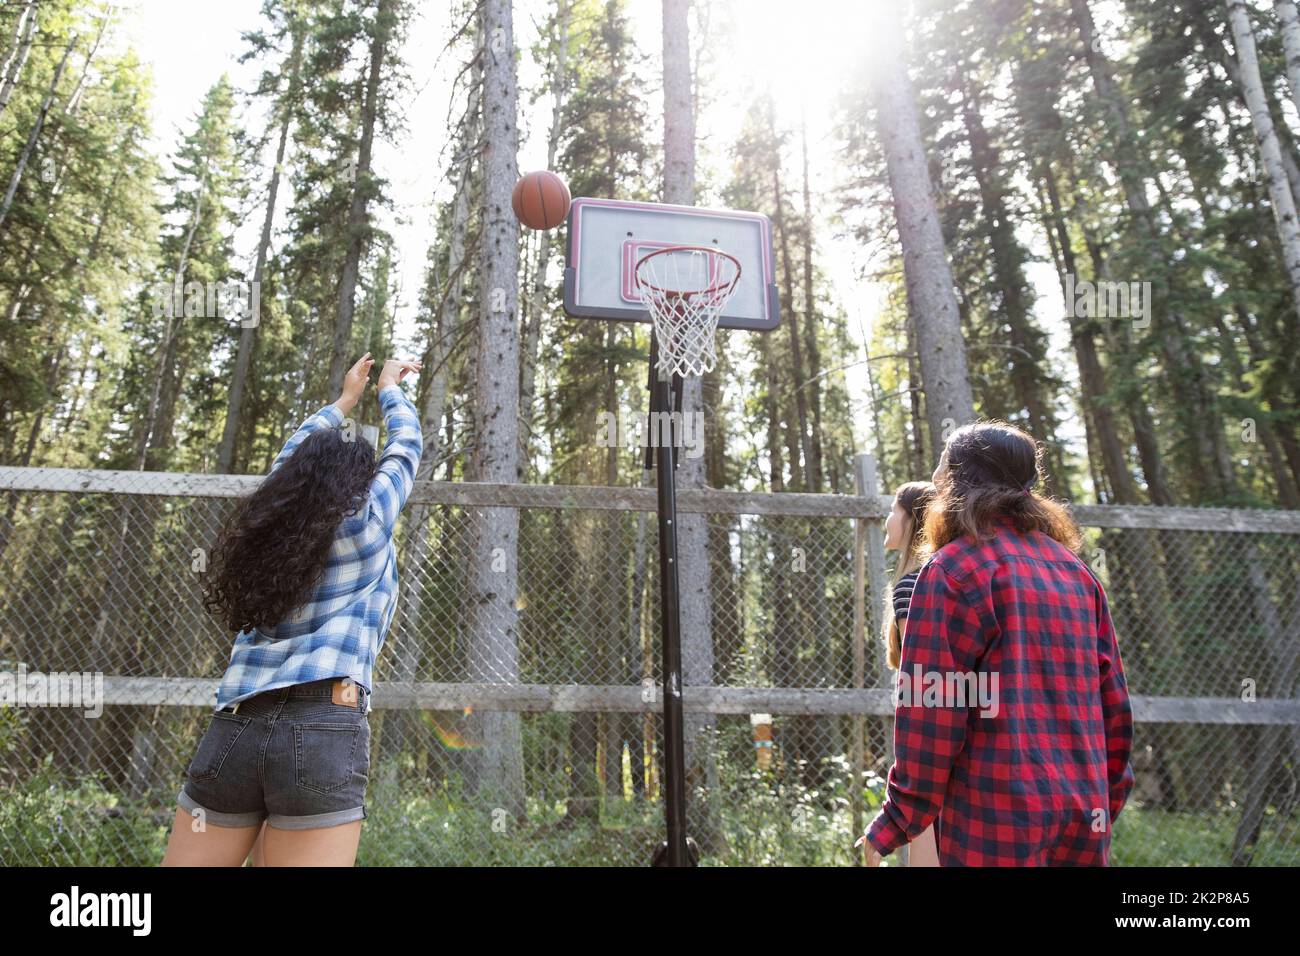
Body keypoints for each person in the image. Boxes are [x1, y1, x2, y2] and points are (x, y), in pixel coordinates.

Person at [162, 354, 422, 867]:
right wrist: (389, 388)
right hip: (325, 723)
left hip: (236, 724)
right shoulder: (366, 523)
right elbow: (406, 446)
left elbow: (289, 460)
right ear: (358, 479)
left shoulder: (269, 533)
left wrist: (342, 402)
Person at [858, 421, 1134, 866]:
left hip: (995, 827)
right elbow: (1114, 710)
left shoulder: (952, 572)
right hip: (1083, 819)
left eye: (942, 467)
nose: (933, 479)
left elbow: (931, 715)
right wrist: (1103, 798)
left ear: (961, 480)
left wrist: (897, 819)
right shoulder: (1077, 574)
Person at [880, 480, 939, 866]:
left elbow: (922, 679)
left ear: (913, 518)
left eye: (893, 510)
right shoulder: (928, 577)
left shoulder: (911, 585)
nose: (887, 519)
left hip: (932, 741)